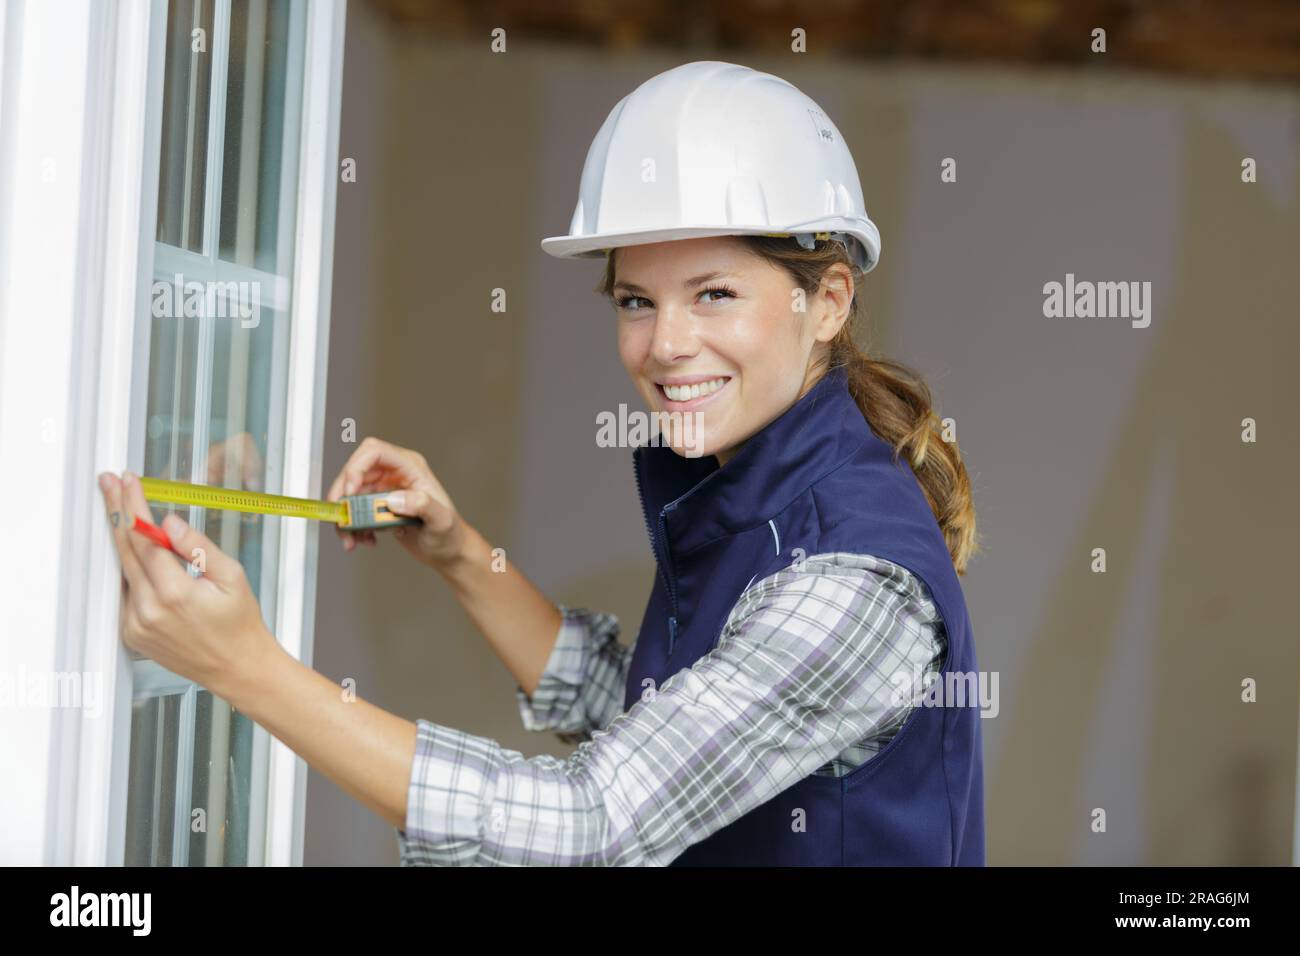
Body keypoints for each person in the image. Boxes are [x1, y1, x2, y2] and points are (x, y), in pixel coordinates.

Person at [98, 60, 985, 866]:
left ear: (825, 301)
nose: (666, 344)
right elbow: (658, 719)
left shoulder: (852, 576)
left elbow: (593, 823)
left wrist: (247, 668)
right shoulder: (768, 490)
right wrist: (459, 553)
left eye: (715, 293)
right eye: (637, 301)